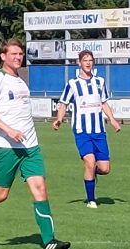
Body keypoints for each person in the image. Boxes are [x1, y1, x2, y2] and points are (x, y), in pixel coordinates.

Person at [0, 39, 68, 249]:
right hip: (6, 147)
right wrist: (9, 130)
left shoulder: (21, 82)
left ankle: (49, 239)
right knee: (1, 194)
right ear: (3, 56)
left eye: (20, 54)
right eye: (13, 54)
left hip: (30, 146)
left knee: (40, 189)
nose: (18, 57)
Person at [52, 49, 122, 207]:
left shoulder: (100, 82)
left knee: (104, 168)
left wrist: (113, 120)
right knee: (90, 162)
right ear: (79, 63)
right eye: (85, 60)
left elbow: (104, 103)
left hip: (99, 132)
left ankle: (92, 173)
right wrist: (59, 119)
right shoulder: (72, 84)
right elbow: (63, 103)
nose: (88, 63)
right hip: (81, 131)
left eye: (90, 60)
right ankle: (91, 200)